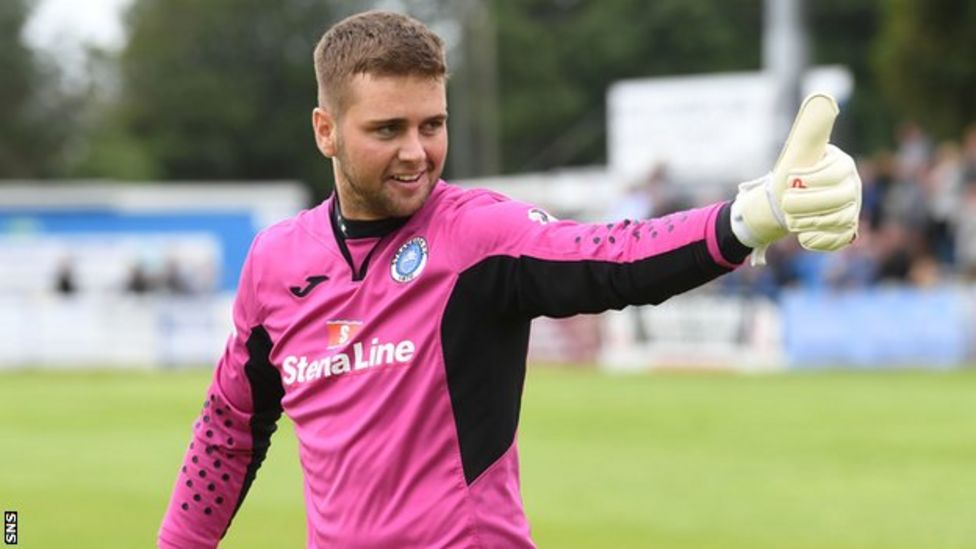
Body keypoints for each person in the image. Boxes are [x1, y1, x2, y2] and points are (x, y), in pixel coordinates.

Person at [158, 11, 860, 548]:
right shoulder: (275, 262)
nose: (416, 152)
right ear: (325, 130)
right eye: (387, 129)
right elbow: (230, 427)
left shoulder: (477, 235)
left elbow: (611, 258)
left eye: (433, 125)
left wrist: (752, 215)